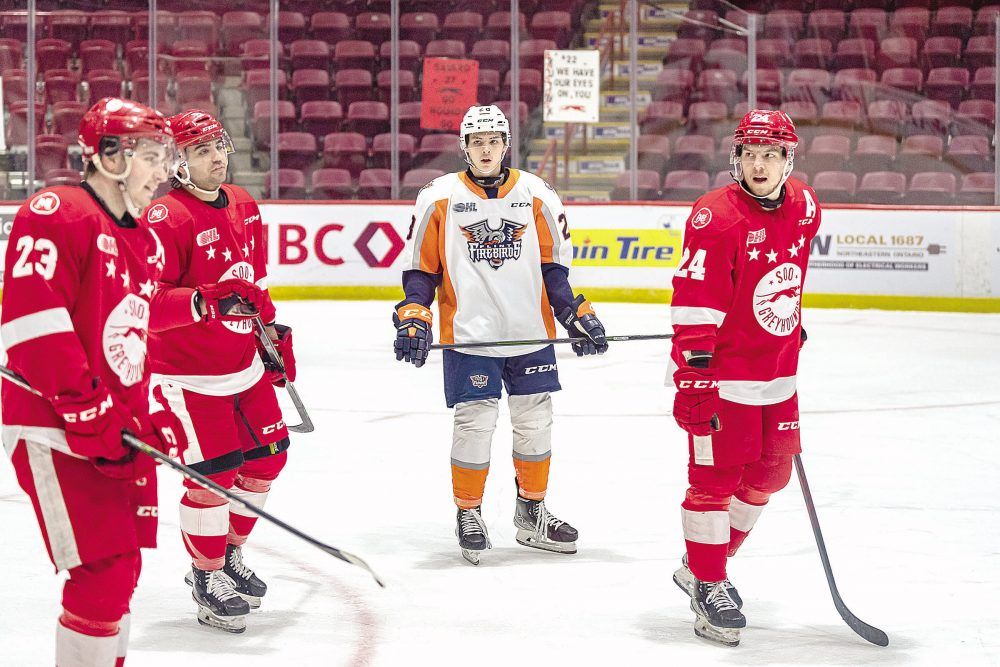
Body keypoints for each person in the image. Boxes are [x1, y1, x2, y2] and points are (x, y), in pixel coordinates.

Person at [0, 97, 199, 666]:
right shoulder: (56, 210)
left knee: (122, 571)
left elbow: (129, 331)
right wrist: (87, 410)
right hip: (54, 422)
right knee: (103, 572)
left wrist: (147, 411)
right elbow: (33, 323)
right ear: (110, 155)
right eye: (154, 156)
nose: (165, 172)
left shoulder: (143, 239)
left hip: (110, 422)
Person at [394, 104, 608, 565]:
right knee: (474, 425)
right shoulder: (438, 197)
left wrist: (576, 313)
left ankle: (532, 512)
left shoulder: (537, 193)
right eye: (477, 141)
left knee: (535, 425)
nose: (486, 149)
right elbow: (421, 271)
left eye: (493, 140)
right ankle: (468, 511)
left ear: (506, 144)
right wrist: (414, 313)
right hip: (469, 335)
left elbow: (554, 270)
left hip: (530, 334)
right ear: (464, 147)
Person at [667, 109, 821, 646]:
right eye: (751, 154)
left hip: (777, 373)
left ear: (788, 160)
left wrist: (790, 326)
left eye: (772, 154)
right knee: (714, 484)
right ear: (737, 158)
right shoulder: (716, 217)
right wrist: (694, 376)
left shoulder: (805, 206)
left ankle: (700, 562)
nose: (760, 164)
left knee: (769, 476)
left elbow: (789, 275)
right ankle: (710, 582)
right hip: (720, 377)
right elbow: (693, 305)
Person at [142, 109, 296, 633]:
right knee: (214, 476)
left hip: (245, 365)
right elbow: (145, 302)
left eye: (219, 147)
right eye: (201, 151)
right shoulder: (166, 217)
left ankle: (227, 554)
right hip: (189, 376)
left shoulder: (244, 205)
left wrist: (272, 334)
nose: (216, 159)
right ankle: (206, 575)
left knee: (269, 458)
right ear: (178, 163)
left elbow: (254, 286)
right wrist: (205, 302)